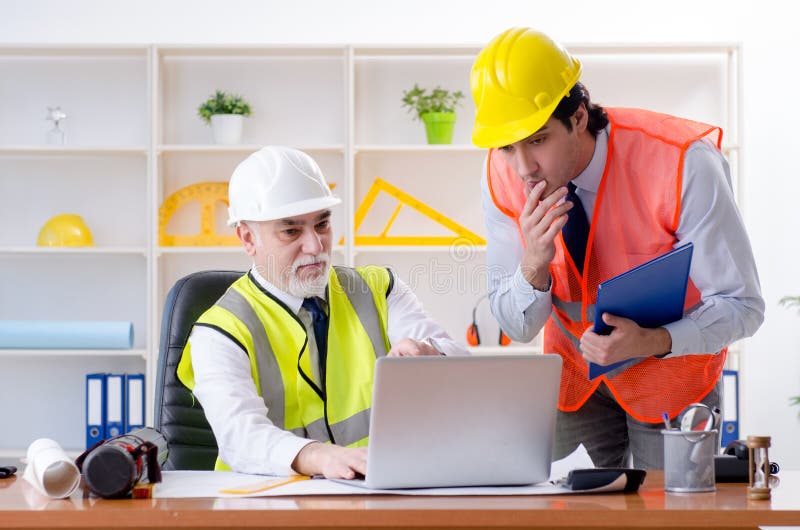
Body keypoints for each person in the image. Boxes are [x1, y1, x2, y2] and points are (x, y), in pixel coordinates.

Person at [471, 27, 764, 468]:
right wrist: (533, 262)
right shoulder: (501, 175)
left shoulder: (683, 162)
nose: (524, 168)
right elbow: (519, 326)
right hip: (574, 380)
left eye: (537, 140)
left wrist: (655, 340)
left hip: (673, 375)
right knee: (561, 511)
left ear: (579, 118)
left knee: (674, 516)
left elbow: (743, 306)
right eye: (508, 146)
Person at [177, 146, 468, 478]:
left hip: (376, 496)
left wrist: (430, 352)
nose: (315, 246)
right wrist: (317, 457)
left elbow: (460, 359)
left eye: (322, 224)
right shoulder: (219, 331)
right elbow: (240, 437)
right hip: (265, 507)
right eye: (291, 231)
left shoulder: (379, 289)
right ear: (247, 238)